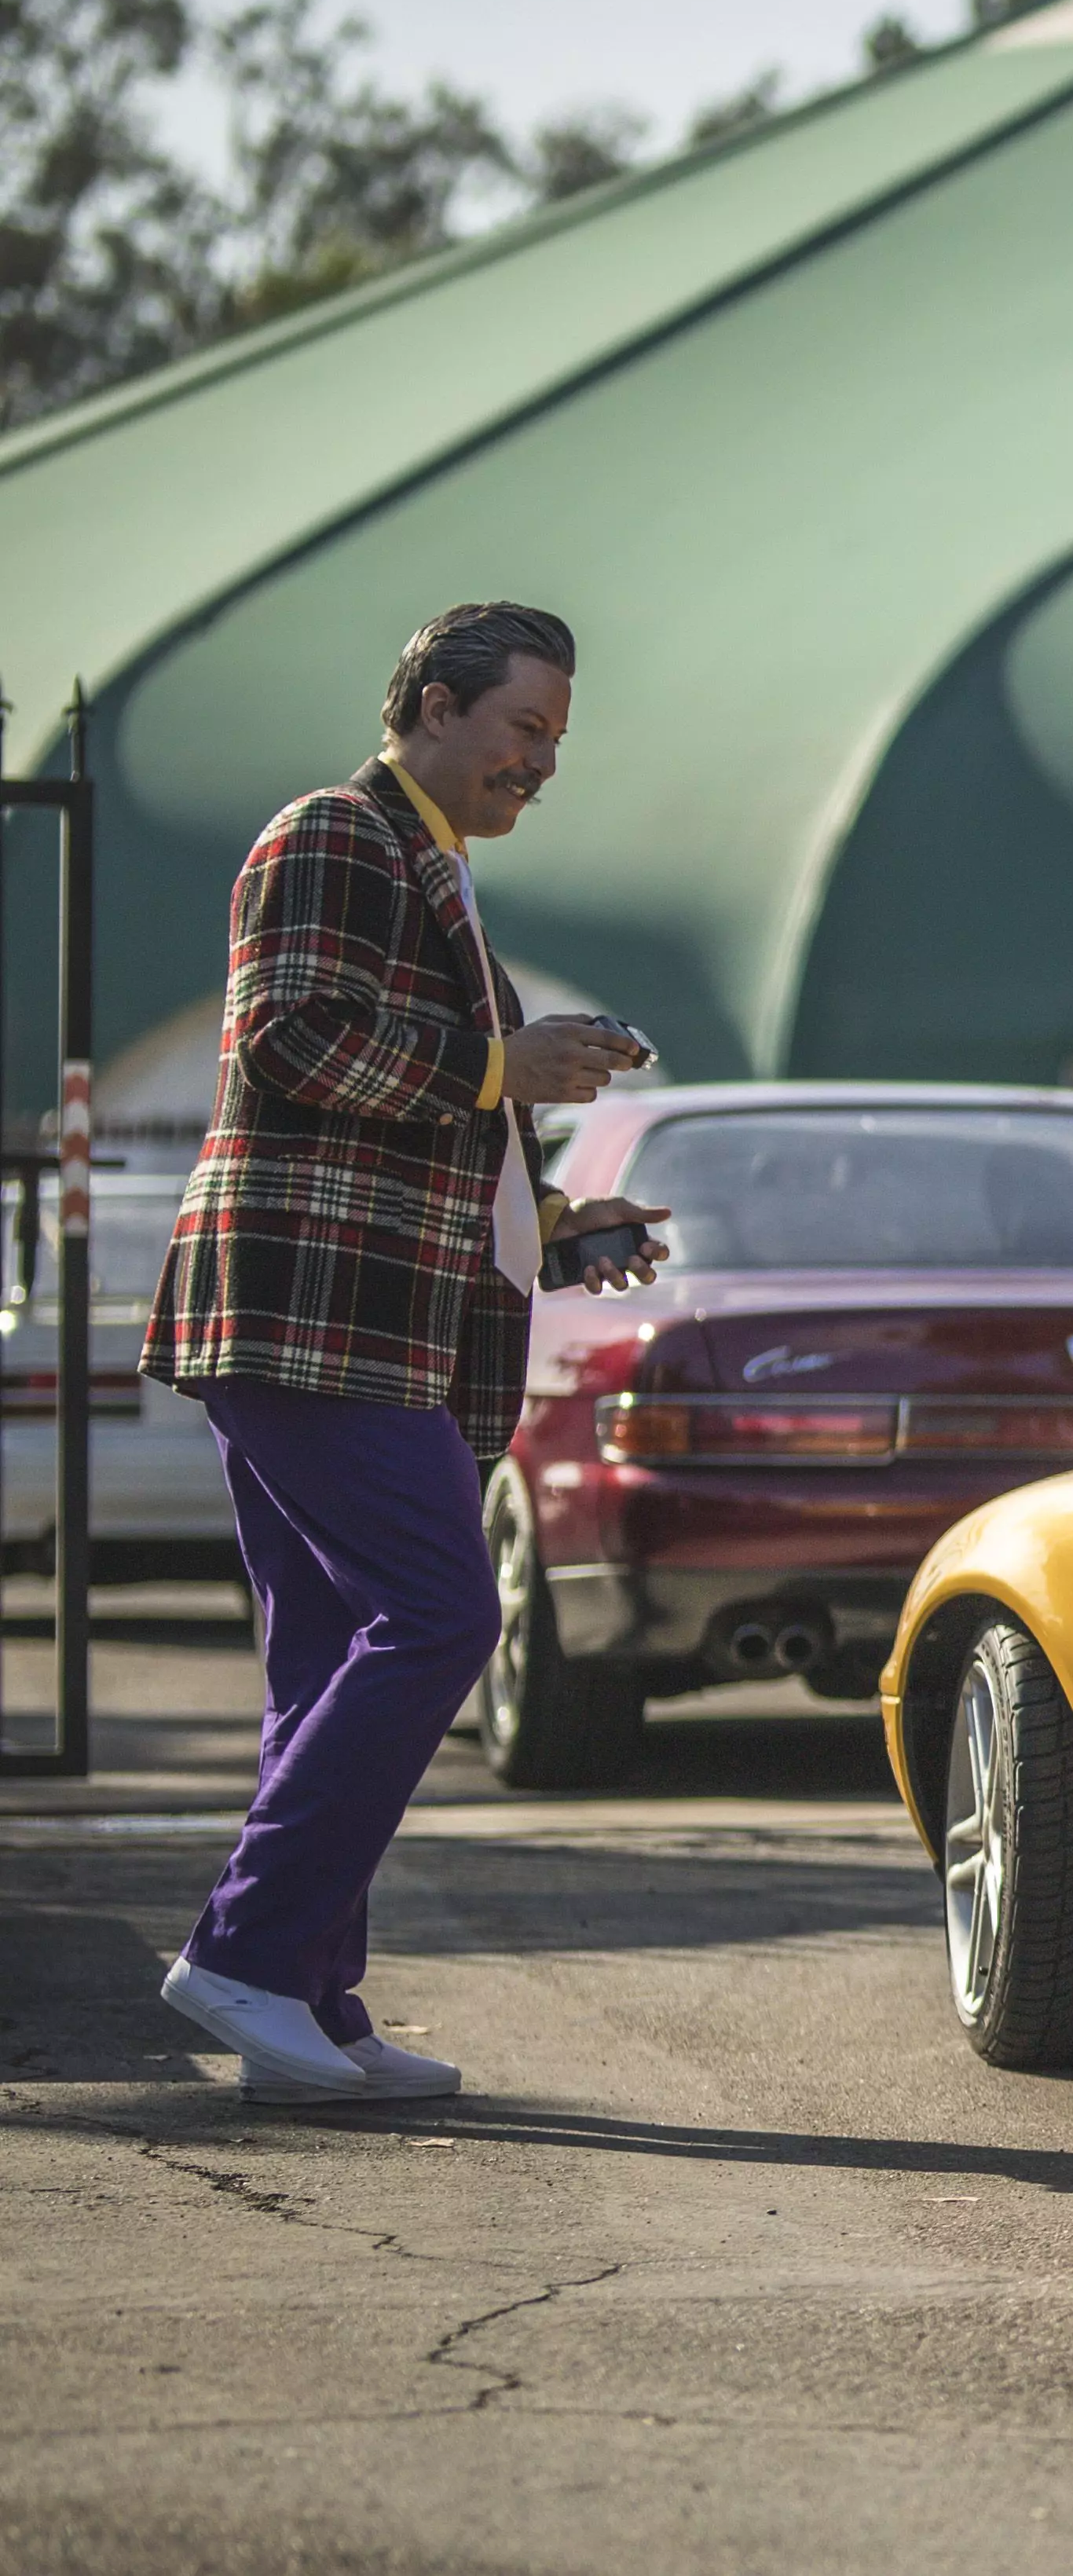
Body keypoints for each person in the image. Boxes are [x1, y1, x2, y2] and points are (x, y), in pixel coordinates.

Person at [141, 601, 670, 2106]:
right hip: (311, 1320)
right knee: (442, 1614)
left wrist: (562, 1221)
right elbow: (290, 1041)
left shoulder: (428, 867)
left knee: (324, 1656)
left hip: (351, 1316)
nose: (543, 763)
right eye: (525, 729)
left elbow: (423, 1139)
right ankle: (246, 1956)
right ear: (434, 706)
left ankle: (309, 2005)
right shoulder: (333, 835)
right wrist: (510, 1061)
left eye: (557, 740)